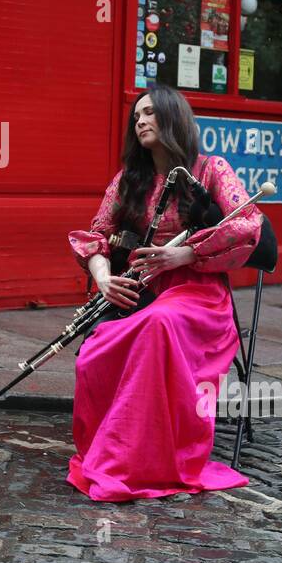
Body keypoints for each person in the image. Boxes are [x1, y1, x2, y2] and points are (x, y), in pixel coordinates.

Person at [66, 84, 262, 502]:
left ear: (173, 118)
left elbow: (249, 225)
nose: (141, 121)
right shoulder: (129, 180)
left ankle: (142, 461)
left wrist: (186, 254)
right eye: (137, 115)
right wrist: (103, 278)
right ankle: (112, 449)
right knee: (98, 346)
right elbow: (96, 235)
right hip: (147, 291)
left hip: (199, 295)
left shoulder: (211, 169)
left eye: (151, 113)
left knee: (158, 325)